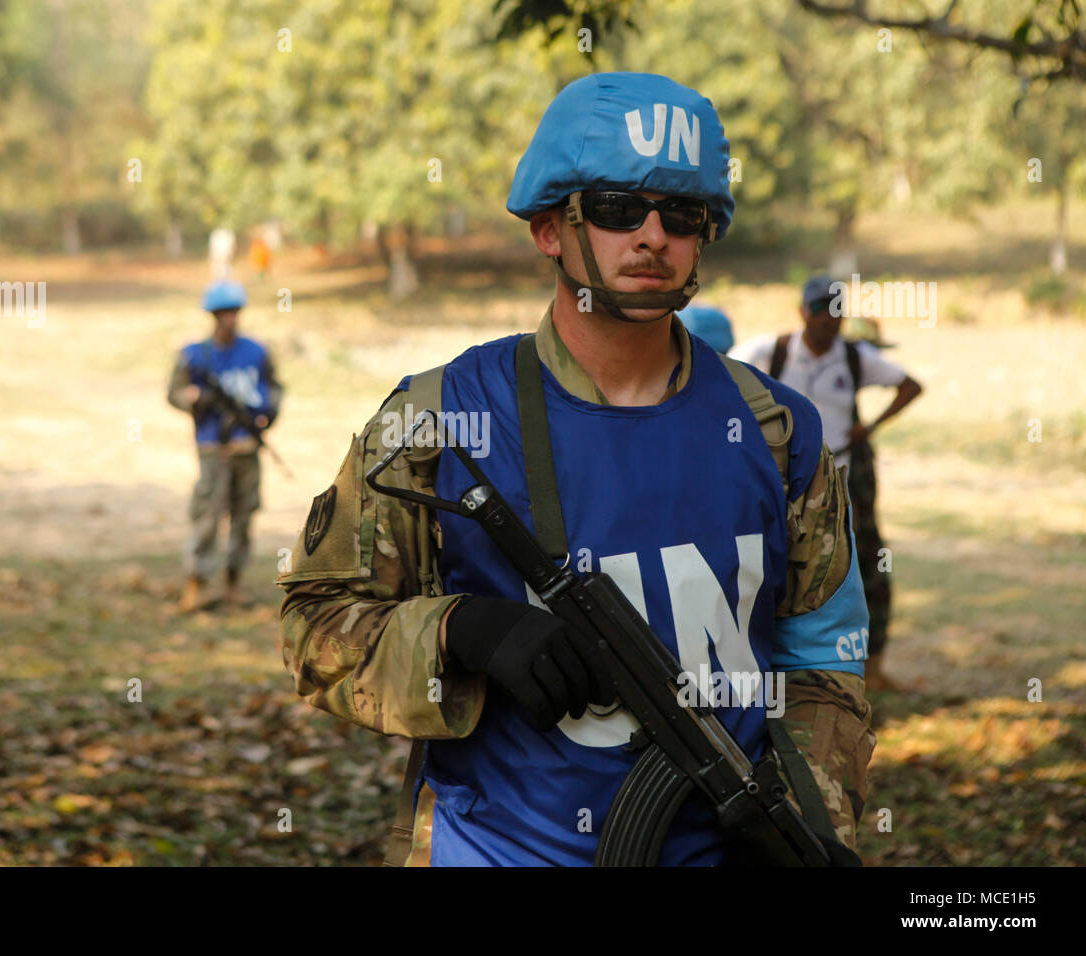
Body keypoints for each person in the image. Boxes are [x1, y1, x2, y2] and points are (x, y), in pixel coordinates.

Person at [278, 73, 875, 866]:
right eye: (619, 209)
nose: (653, 236)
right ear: (549, 230)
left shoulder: (775, 431)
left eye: (682, 214)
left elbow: (823, 661)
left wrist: (811, 818)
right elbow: (315, 626)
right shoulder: (439, 421)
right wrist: (462, 631)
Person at [730, 278, 923, 692]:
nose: (828, 319)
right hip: (783, 480)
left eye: (836, 310)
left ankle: (868, 666)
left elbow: (911, 385)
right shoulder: (771, 352)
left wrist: (870, 426)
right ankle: (779, 668)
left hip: (846, 477)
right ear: (802, 311)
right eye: (819, 309)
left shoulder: (855, 357)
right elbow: (723, 382)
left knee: (861, 565)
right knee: (780, 566)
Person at [168, 280, 282, 612]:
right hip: (212, 447)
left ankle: (234, 582)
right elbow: (173, 392)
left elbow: (274, 389)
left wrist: (267, 417)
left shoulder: (257, 351)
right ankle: (197, 583)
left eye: (233, 311)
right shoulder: (194, 355)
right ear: (212, 316)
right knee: (207, 515)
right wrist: (191, 399)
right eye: (222, 313)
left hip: (246, 447)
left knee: (244, 515)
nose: (228, 318)